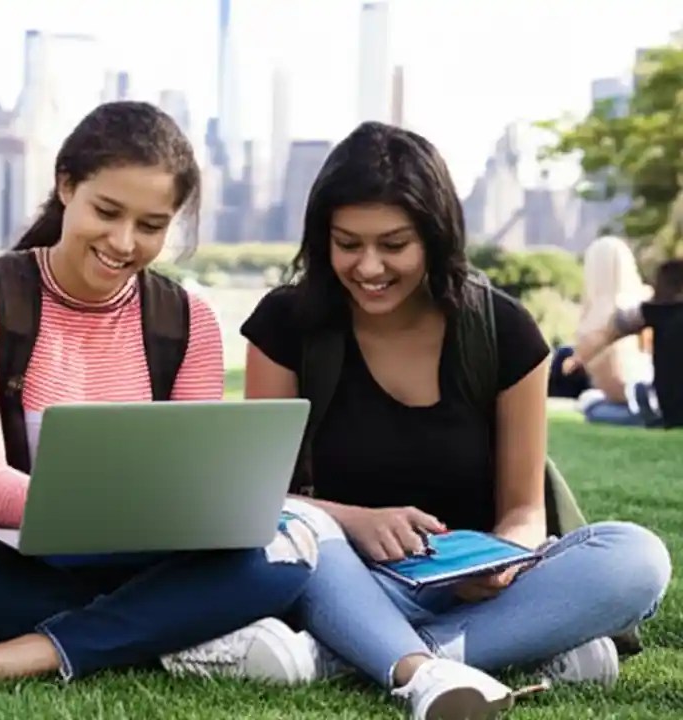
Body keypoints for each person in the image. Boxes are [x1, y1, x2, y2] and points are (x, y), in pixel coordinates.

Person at [0, 101, 318, 697]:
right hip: (4, 552)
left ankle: (5, 656)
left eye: (150, 226)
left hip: (144, 557)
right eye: (107, 212)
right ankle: (186, 630)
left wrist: (157, 523)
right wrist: (123, 520)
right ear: (66, 186)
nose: (123, 242)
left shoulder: (187, 320)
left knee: (292, 548)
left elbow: (202, 490)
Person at [233, 122, 672, 718]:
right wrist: (355, 522)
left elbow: (523, 510)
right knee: (306, 546)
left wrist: (501, 560)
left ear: (435, 239)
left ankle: (355, 657)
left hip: (471, 585)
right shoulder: (286, 325)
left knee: (637, 556)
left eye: (394, 245)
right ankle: (512, 648)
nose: (368, 267)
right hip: (342, 574)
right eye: (347, 243)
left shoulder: (505, 331)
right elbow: (263, 500)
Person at [566, 258, 683, 429]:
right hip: (668, 410)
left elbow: (608, 332)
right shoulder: (655, 311)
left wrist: (576, 358)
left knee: (592, 406)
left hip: (671, 413)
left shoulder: (654, 311)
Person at [557, 235, 654, 424]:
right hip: (647, 395)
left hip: (625, 399)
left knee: (590, 404)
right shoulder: (644, 302)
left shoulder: (591, 318)